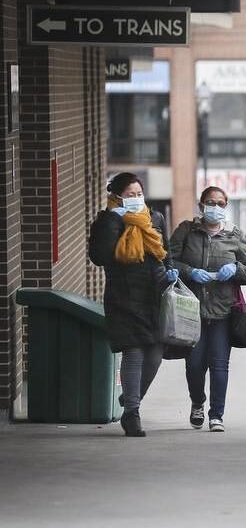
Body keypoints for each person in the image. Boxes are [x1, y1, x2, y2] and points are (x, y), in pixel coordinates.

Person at [87, 172, 177, 437]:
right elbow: (100, 256)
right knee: (134, 352)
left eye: (139, 194)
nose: (136, 200)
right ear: (116, 197)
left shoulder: (155, 218)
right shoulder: (108, 221)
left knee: (155, 355)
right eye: (130, 195)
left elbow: (166, 252)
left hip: (156, 296)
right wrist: (115, 222)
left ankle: (129, 398)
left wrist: (170, 272)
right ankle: (132, 414)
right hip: (124, 297)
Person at [169, 186, 246, 433]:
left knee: (219, 365)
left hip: (222, 311)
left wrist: (235, 270)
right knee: (194, 365)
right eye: (210, 202)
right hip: (191, 309)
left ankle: (217, 415)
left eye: (219, 203)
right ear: (201, 205)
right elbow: (170, 260)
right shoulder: (187, 230)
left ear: (225, 206)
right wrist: (189, 272)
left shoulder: (234, 235)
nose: (214, 207)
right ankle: (198, 402)